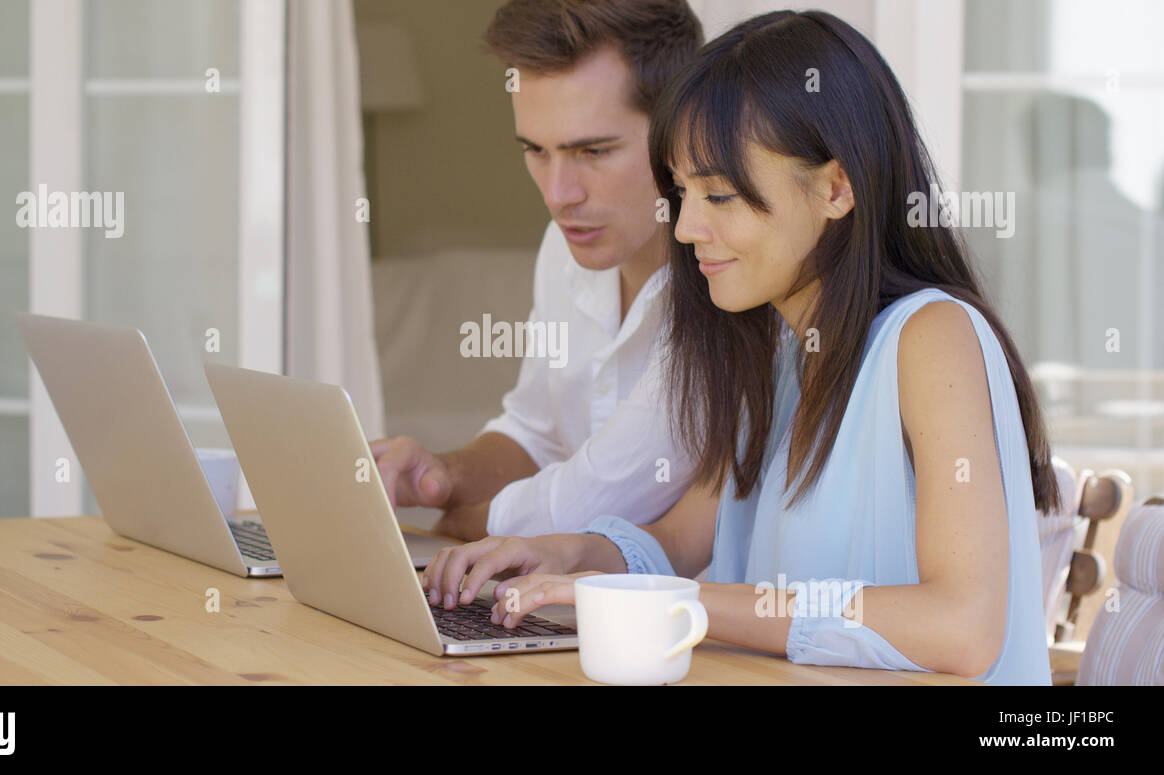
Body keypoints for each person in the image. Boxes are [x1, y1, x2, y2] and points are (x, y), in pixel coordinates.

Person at [420, 9, 1062, 685]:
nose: (690, 226)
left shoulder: (932, 338)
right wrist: (560, 554)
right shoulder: (776, 347)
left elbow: (962, 627)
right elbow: (674, 542)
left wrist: (686, 605)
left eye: (721, 195)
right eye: (682, 191)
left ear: (837, 187)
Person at [370, 0, 704, 543]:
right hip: (561, 611)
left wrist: (458, 524)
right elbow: (536, 435)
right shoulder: (564, 245)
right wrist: (440, 477)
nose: (558, 195)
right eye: (536, 150)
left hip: (686, 622)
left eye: (593, 150)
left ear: (683, 127)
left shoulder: (727, 281)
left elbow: (588, 501)